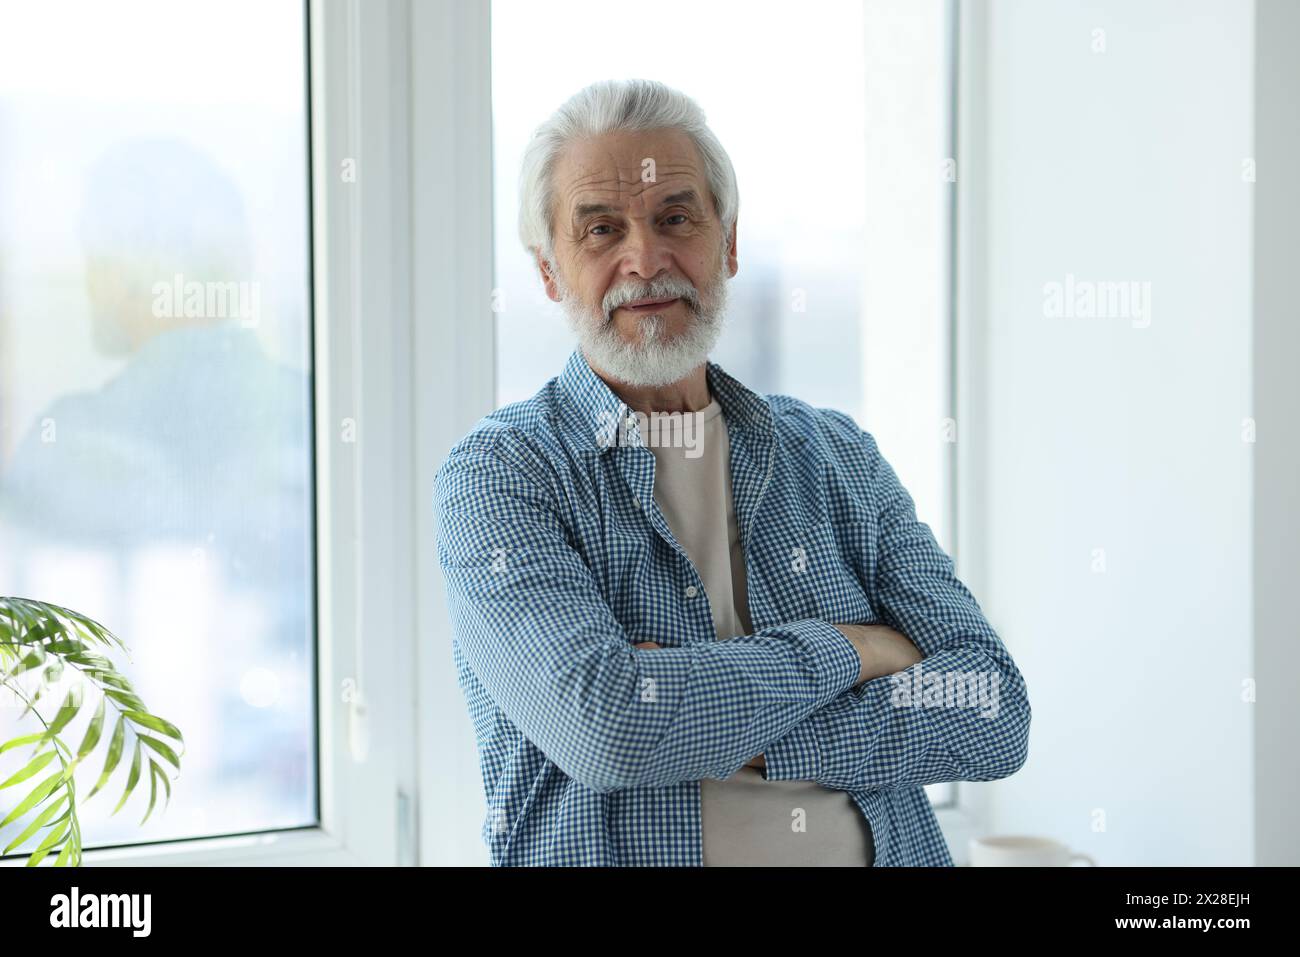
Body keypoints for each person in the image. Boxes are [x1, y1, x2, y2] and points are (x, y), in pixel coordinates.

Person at [435, 78, 1030, 866]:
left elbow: (990, 704)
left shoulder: (836, 454)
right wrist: (852, 650)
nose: (644, 258)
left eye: (675, 218)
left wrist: (705, 717)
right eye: (602, 230)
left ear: (730, 243)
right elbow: (610, 728)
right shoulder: (501, 477)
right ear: (548, 271)